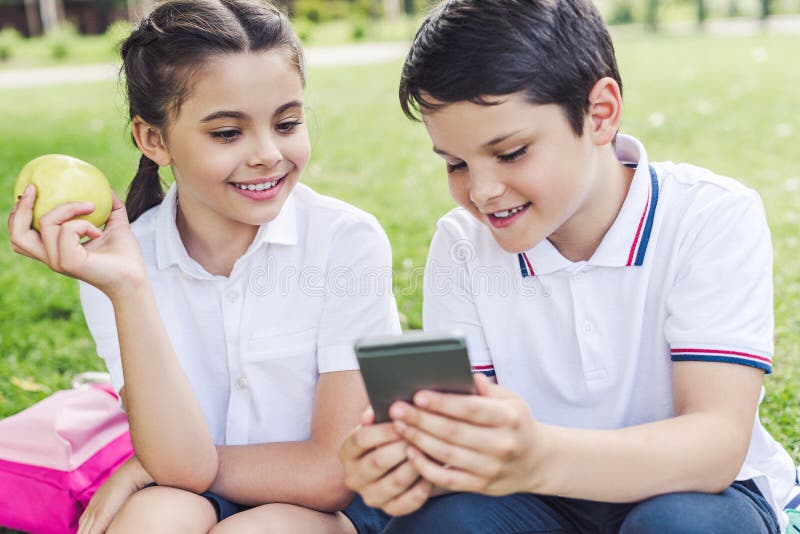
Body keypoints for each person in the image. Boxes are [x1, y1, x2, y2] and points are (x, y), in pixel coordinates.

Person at [338, 1, 795, 532]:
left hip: (695, 492)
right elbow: (470, 453)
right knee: (441, 522)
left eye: (511, 153)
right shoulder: (463, 244)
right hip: (533, 498)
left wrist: (540, 455)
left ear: (600, 113)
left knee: (682, 524)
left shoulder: (710, 214)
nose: (482, 192)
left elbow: (714, 447)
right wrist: (404, 467)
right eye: (456, 164)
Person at [8, 1, 398, 532]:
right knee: (151, 523)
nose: (266, 153)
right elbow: (178, 469)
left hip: (328, 506)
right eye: (227, 133)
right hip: (188, 488)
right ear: (153, 139)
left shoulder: (346, 243)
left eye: (286, 123)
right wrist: (128, 289)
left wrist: (161, 465)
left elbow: (333, 471)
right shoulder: (119, 264)